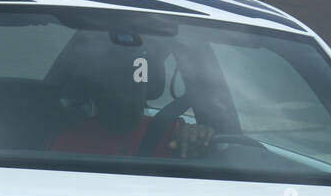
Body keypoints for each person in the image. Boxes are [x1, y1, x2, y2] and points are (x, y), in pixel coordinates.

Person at [50, 47, 213, 158]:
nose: (128, 98)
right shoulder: (73, 138)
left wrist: (199, 136)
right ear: (97, 94)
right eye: (117, 89)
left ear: (146, 91)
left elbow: (199, 141)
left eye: (136, 86)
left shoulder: (171, 131)